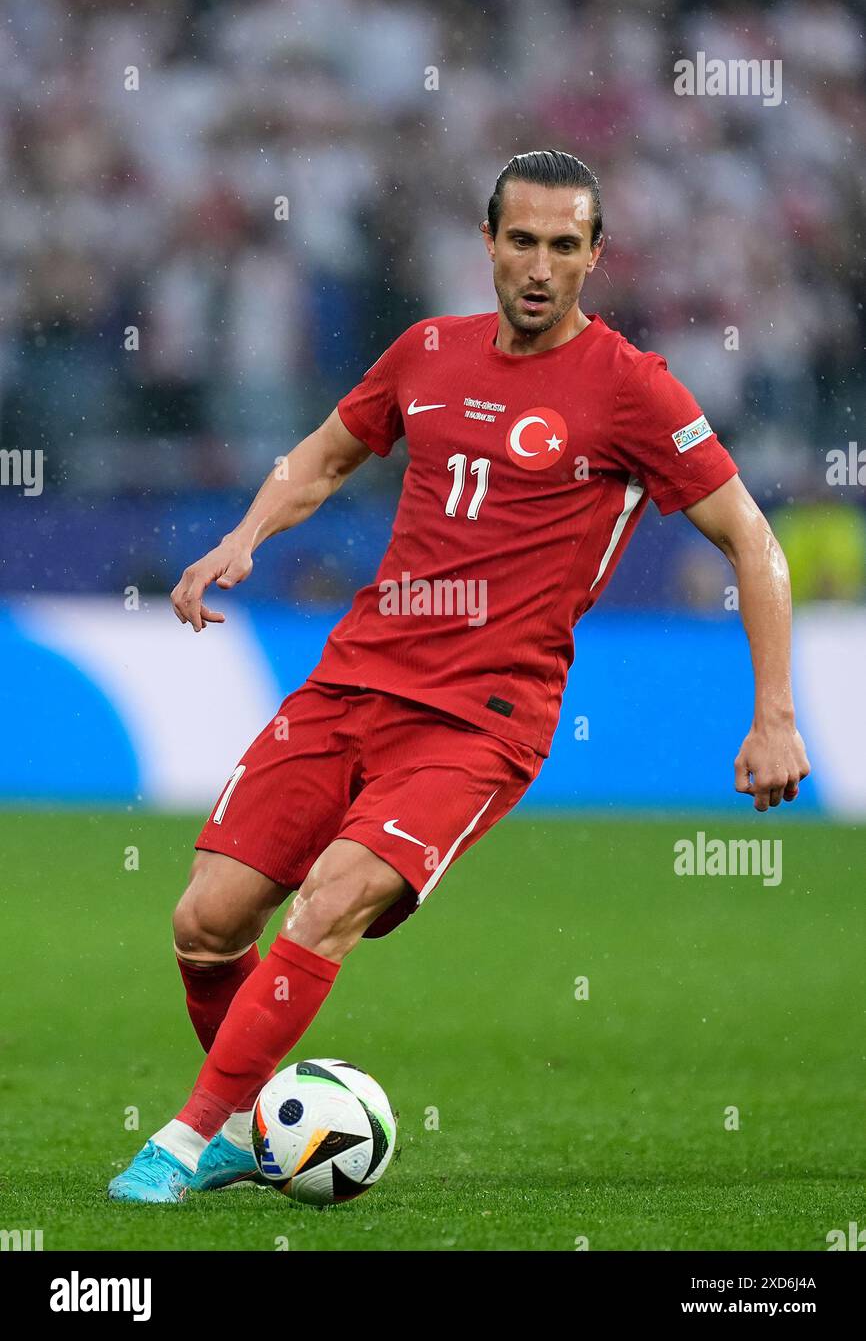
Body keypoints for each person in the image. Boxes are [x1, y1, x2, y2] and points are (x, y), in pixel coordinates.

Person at [109, 150, 810, 1203]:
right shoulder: (426, 352)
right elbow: (322, 457)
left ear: (594, 256)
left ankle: (182, 1138)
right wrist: (244, 534)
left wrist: (773, 715)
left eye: (562, 246)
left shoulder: (632, 388)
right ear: (486, 244)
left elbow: (751, 542)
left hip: (479, 719)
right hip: (351, 682)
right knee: (205, 923)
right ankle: (254, 1125)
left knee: (326, 905)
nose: (538, 266)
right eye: (519, 241)